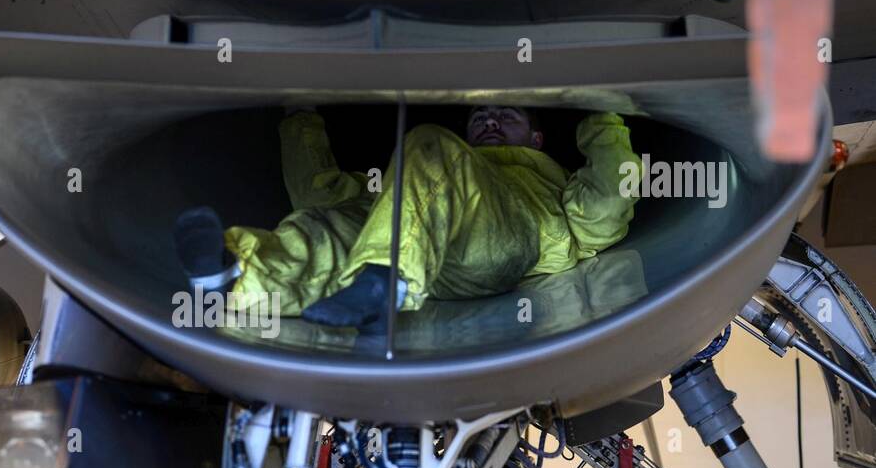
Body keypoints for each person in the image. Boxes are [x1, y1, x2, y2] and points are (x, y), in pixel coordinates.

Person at [174, 105, 641, 331]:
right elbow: (321, 192)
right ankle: (236, 276)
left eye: (507, 116)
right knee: (332, 224)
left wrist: (600, 112)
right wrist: (299, 113)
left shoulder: (546, 181)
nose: (491, 122)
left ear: (537, 139)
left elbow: (606, 202)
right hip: (427, 255)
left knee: (429, 146)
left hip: (506, 241)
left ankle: (386, 281)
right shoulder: (424, 175)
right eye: (480, 117)